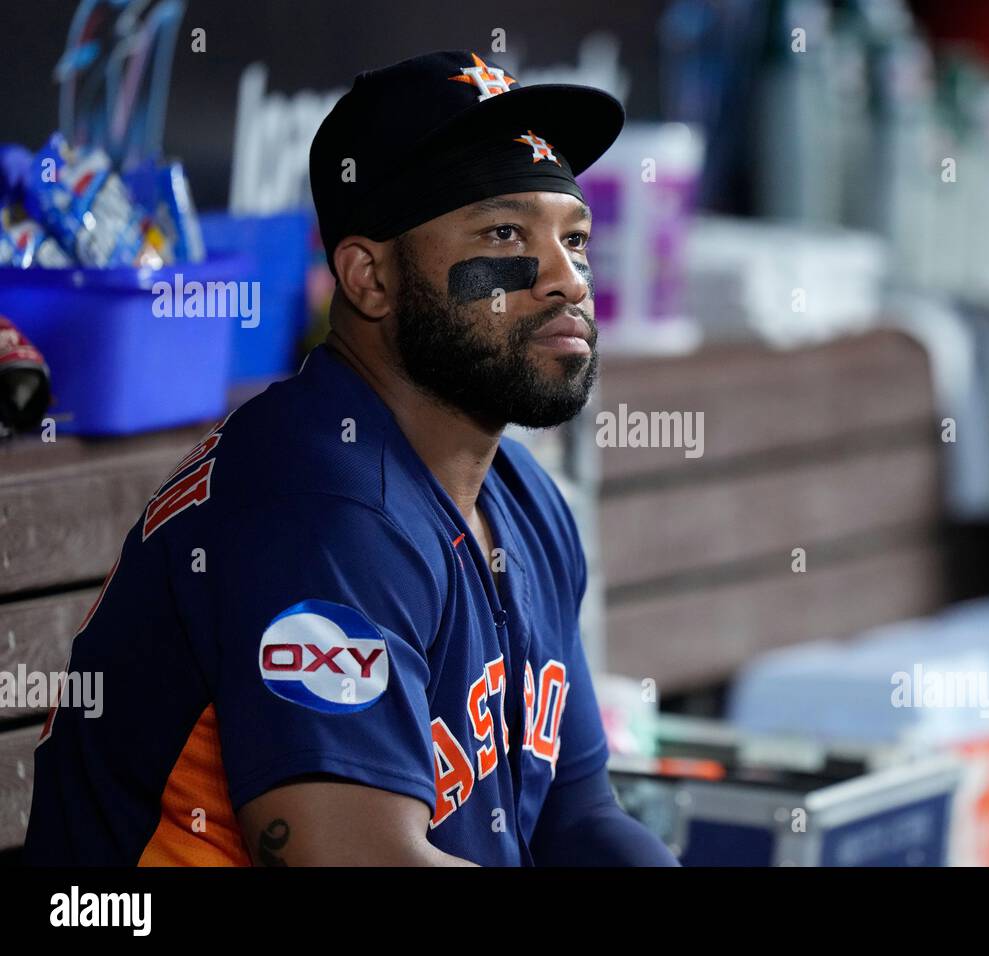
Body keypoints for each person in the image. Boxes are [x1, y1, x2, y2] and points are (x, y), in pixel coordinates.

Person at [24, 50, 679, 866]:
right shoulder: (321, 510)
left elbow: (576, 815)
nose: (567, 279)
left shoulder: (524, 503)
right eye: (506, 234)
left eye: (574, 236)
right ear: (368, 278)